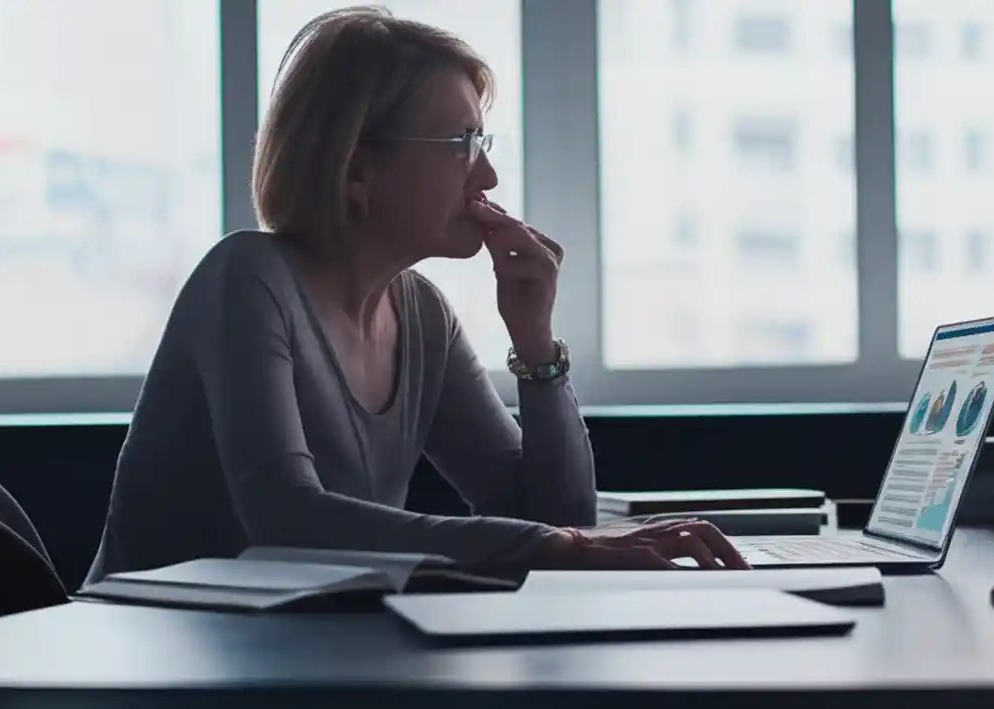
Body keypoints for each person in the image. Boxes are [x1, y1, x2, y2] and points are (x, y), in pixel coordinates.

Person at [84, 6, 747, 586]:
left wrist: (535, 342)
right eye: (460, 145)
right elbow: (287, 521)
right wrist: (556, 546)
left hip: (298, 656)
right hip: (154, 660)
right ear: (356, 169)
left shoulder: (421, 312)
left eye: (481, 142)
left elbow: (555, 517)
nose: (486, 174)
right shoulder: (247, 279)